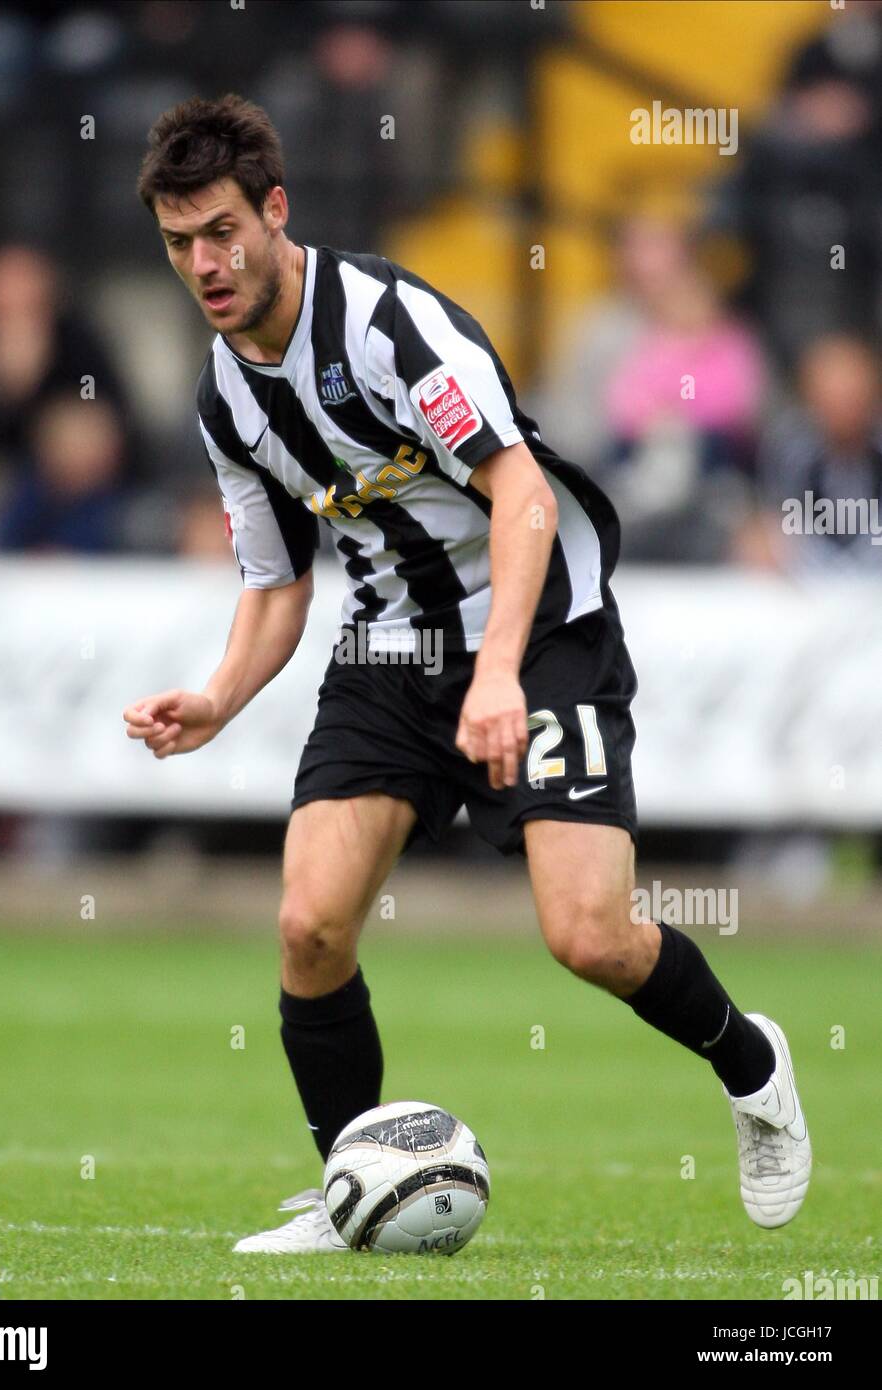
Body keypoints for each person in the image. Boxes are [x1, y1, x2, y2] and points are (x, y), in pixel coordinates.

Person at [124, 95, 810, 1251]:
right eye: (180, 241)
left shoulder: (392, 328)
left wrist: (498, 674)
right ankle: (348, 1189)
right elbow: (278, 580)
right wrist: (218, 695)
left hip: (539, 632)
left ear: (274, 212)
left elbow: (525, 495)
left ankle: (753, 1066)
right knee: (307, 924)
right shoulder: (223, 398)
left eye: (223, 231)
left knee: (589, 935)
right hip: (388, 651)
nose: (206, 262)